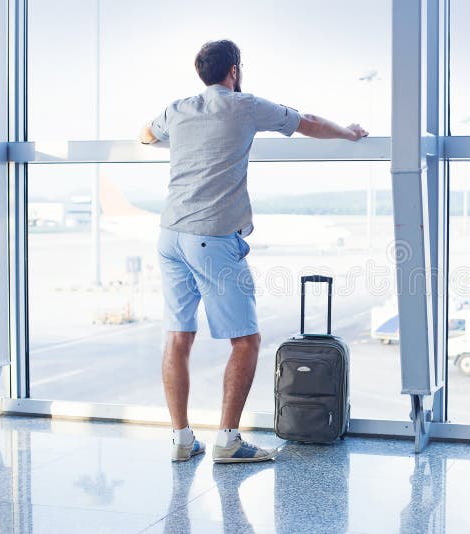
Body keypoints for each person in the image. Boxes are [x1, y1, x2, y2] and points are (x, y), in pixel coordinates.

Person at [139, 39, 368, 463]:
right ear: (234, 70)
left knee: (178, 335)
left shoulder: (179, 109)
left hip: (169, 233)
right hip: (211, 236)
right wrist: (349, 133)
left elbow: (145, 135)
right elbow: (309, 122)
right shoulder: (243, 106)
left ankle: (181, 440)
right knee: (246, 341)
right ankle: (227, 441)